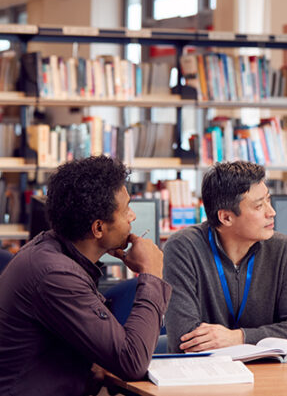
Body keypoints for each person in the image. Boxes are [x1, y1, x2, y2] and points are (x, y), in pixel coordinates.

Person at [0, 156, 170, 395]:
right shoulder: (55, 274)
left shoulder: (52, 251)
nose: (132, 217)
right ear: (98, 228)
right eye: (126, 210)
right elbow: (133, 361)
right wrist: (151, 274)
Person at [163, 161, 287, 353]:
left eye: (268, 200)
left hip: (268, 372)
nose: (272, 212)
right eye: (259, 206)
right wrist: (266, 337)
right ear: (226, 217)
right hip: (206, 373)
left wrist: (239, 337)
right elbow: (184, 338)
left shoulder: (283, 249)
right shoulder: (183, 248)